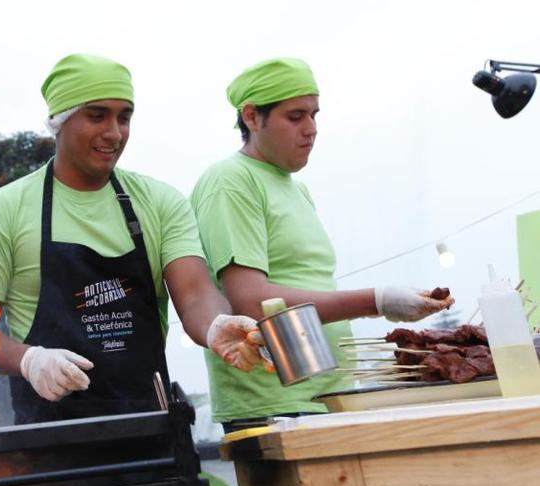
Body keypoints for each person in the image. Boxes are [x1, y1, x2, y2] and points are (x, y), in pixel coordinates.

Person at [0, 53, 262, 425]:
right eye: (97, 115)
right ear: (60, 120)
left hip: (152, 433)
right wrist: (29, 359)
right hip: (48, 448)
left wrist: (216, 324)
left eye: (124, 117)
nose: (114, 133)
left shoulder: (160, 201)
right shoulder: (4, 211)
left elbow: (196, 293)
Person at [190, 58, 454, 433]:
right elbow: (249, 300)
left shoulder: (297, 190)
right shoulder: (230, 181)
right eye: (295, 117)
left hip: (328, 395)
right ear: (251, 116)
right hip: (276, 403)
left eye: (314, 115)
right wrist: (377, 301)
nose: (311, 129)